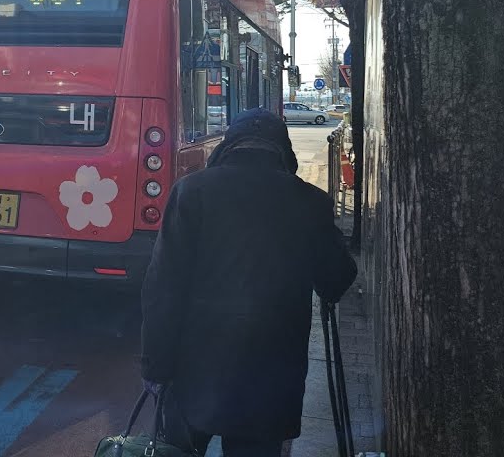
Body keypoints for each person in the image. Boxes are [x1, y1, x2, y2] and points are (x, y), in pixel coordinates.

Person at [140, 108, 357, 457]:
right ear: (284, 151)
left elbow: (162, 289)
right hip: (271, 378)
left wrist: (155, 367)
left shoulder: (191, 192)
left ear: (227, 146)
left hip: (193, 374)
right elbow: (337, 279)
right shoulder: (309, 202)